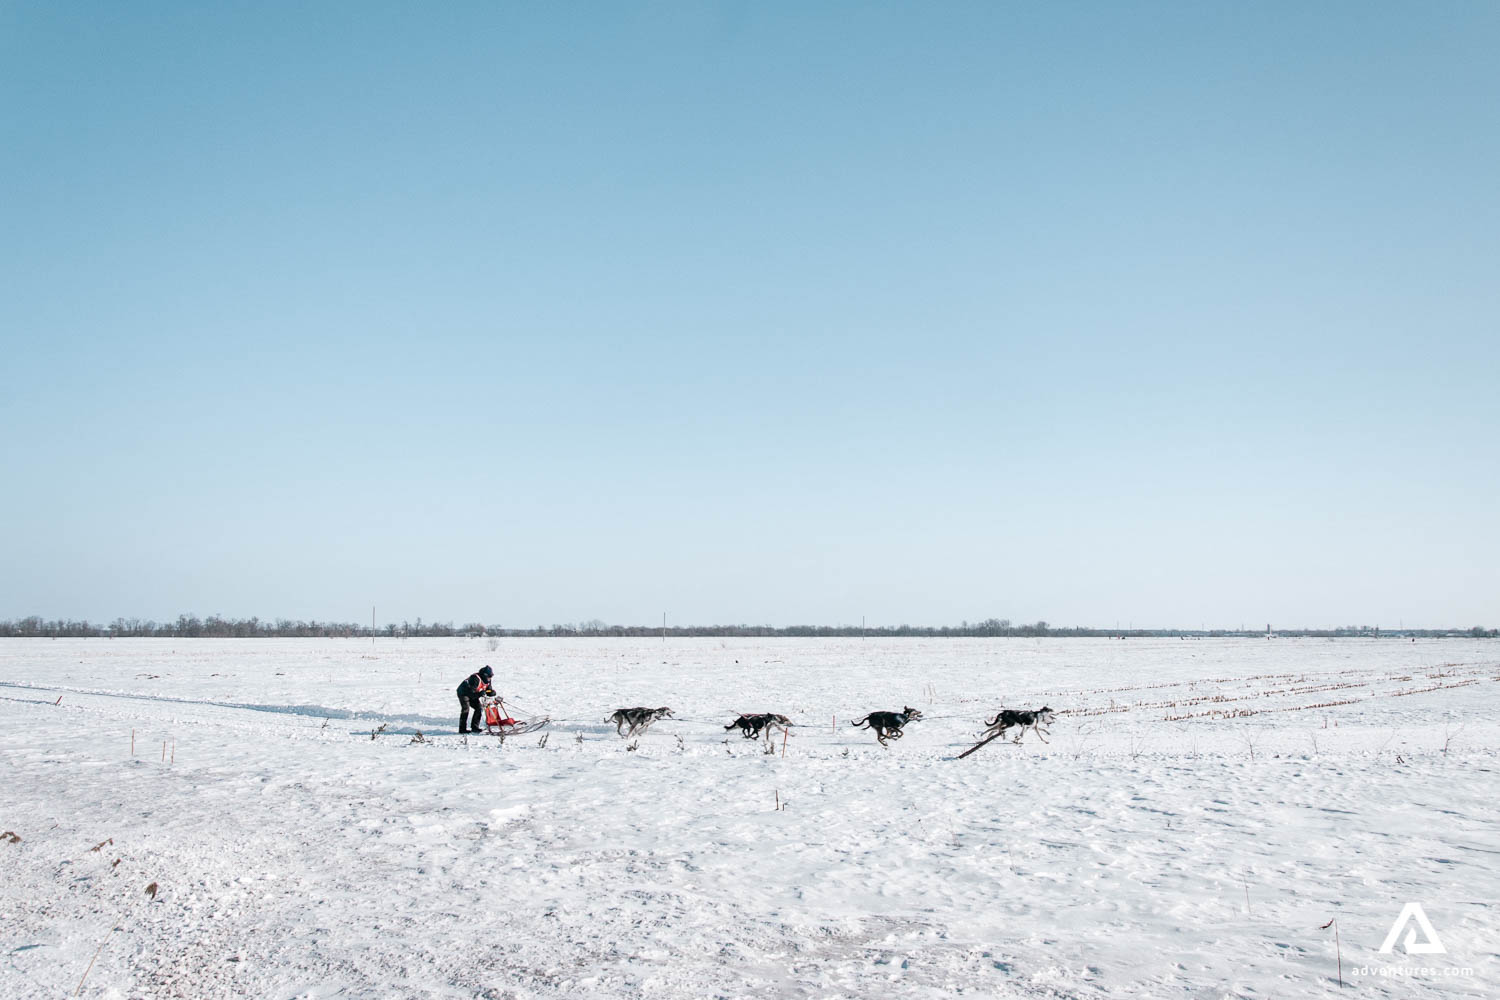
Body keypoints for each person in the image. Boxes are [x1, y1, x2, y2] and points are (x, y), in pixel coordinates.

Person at [456, 665, 494, 733]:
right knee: (465, 709)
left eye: (491, 676)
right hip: (464, 693)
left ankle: (475, 727)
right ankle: (462, 729)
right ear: (484, 675)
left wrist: (491, 692)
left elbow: (488, 689)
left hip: (474, 694)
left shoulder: (488, 680)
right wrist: (480, 694)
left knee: (479, 708)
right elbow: (471, 694)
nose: (489, 678)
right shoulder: (475, 679)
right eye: (489, 676)